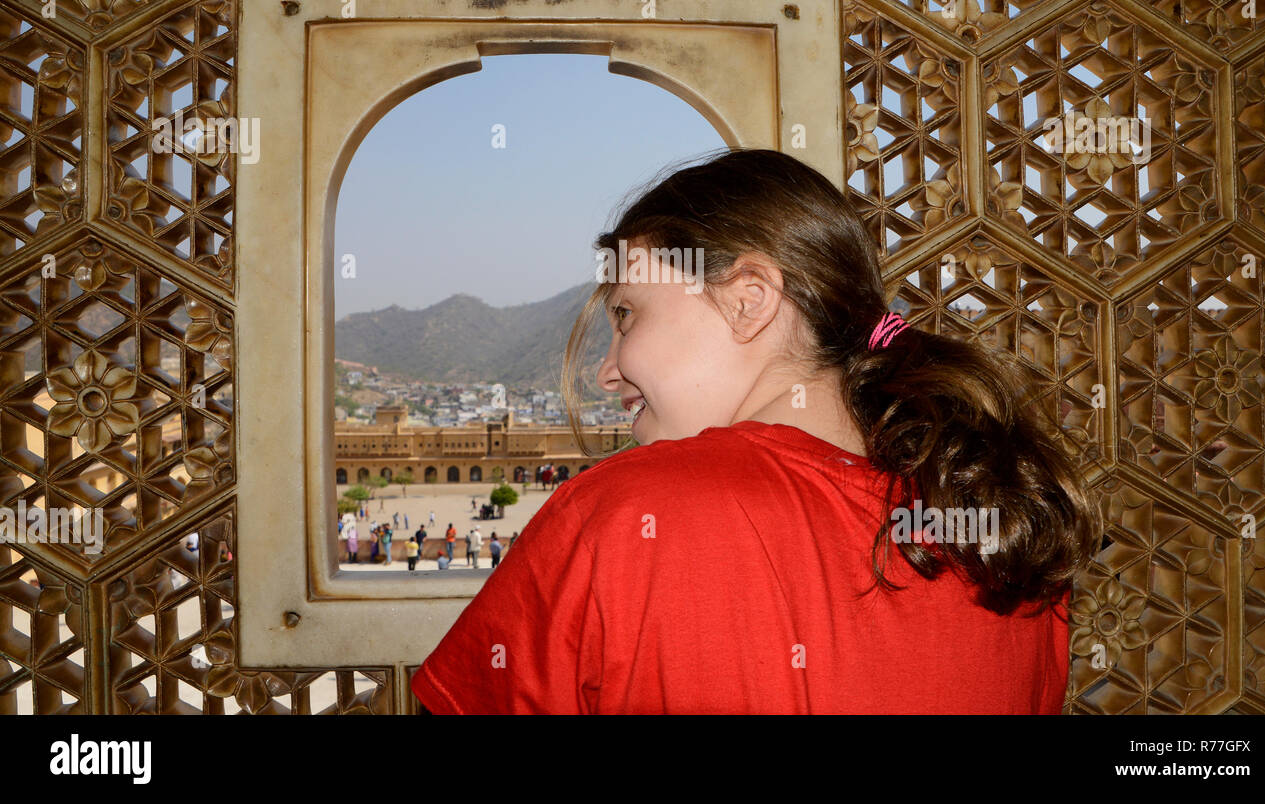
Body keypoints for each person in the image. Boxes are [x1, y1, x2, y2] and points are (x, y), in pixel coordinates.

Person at [408, 148, 1101, 714]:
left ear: (749, 300)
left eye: (627, 317)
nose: (607, 372)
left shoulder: (623, 514)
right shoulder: (1008, 531)